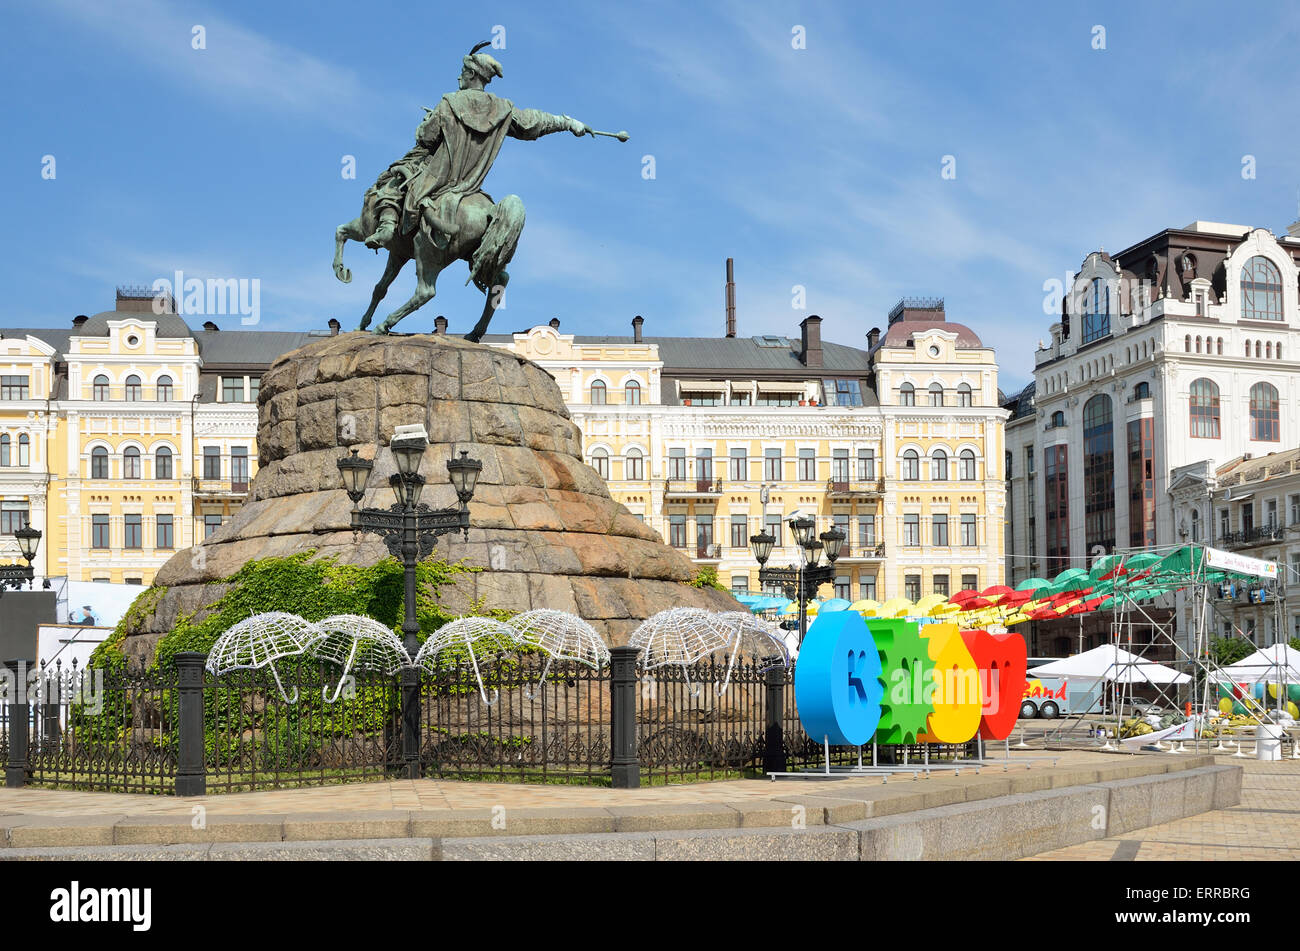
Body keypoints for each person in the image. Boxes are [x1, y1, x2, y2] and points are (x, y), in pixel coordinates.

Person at [361, 45, 591, 250]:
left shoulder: (449, 102)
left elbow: (425, 140)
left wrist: (426, 122)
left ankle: (387, 226)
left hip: (438, 179)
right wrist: (567, 122)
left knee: (396, 176)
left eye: (462, 72)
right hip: (470, 185)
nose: (459, 77)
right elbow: (533, 121)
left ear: (471, 74)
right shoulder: (503, 109)